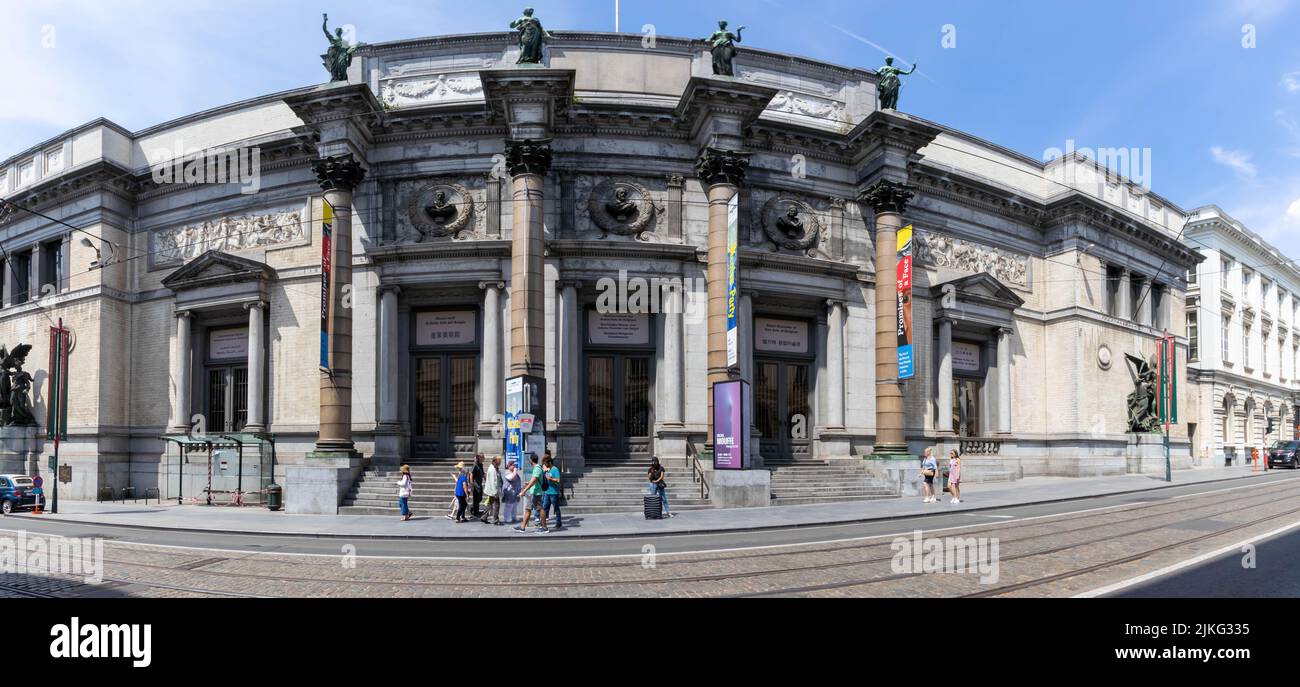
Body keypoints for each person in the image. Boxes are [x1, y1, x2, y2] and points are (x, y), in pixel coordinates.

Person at [513, 454, 548, 533]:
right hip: (532, 492)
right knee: (528, 509)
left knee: (540, 509)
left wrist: (524, 491)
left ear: (531, 460)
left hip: (536, 493)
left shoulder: (537, 468)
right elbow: (534, 480)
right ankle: (522, 527)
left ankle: (545, 528)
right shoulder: (537, 468)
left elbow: (534, 480)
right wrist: (528, 483)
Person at [542, 454, 563, 530]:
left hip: (554, 493)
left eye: (546, 464)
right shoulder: (548, 469)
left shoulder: (555, 469)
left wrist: (550, 479)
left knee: (556, 509)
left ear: (550, 463)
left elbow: (558, 480)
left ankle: (558, 523)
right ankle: (543, 523)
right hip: (547, 492)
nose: (545, 465)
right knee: (544, 508)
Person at [480, 455, 503, 525]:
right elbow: (494, 482)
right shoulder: (492, 469)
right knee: (497, 504)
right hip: (493, 491)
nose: (500, 463)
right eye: (499, 461)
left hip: (492, 490)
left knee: (490, 504)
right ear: (495, 461)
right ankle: (496, 520)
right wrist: (495, 493)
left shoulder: (495, 468)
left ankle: (484, 517)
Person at [502, 459, 521, 524]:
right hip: (509, 492)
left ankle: (514, 517)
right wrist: (515, 471)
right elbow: (512, 478)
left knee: (515, 505)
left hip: (515, 492)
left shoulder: (514, 472)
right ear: (509, 466)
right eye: (513, 465)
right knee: (509, 506)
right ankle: (507, 518)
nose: (515, 467)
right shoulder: (507, 472)